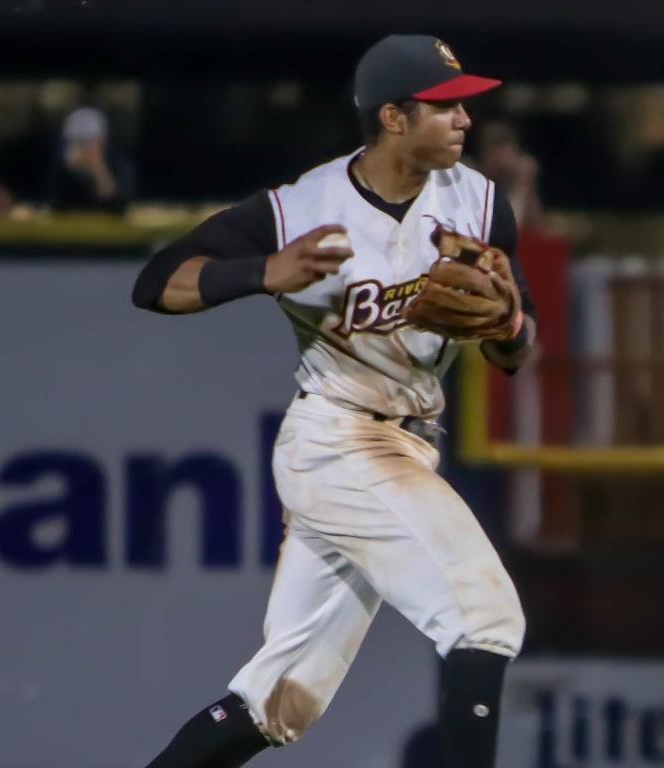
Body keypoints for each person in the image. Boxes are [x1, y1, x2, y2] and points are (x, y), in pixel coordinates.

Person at [128, 34, 537, 768]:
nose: (466, 120)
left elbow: (514, 352)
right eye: (445, 106)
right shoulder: (303, 207)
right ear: (392, 117)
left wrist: (509, 323)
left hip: (406, 443)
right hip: (337, 438)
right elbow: (156, 281)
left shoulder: (478, 202)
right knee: (485, 617)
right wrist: (260, 271)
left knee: (280, 700)